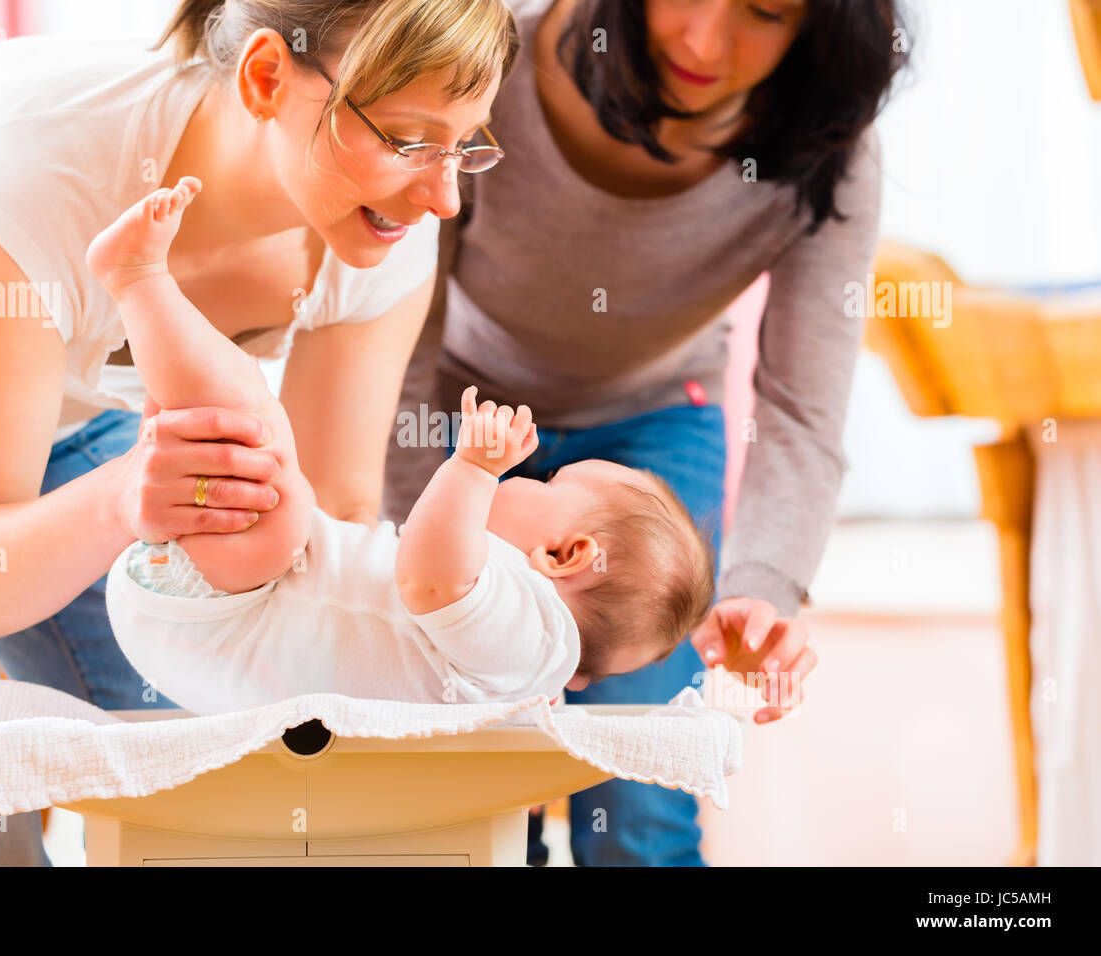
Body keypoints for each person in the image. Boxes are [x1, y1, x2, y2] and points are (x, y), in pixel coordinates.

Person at [0, 0, 516, 864]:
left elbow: (327, 526)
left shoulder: (385, 228)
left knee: (210, 774)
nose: (443, 195)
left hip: (65, 417)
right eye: (408, 139)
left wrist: (470, 655)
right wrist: (117, 498)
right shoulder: (47, 166)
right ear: (264, 77)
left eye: (466, 143)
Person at [382, 0, 910, 865]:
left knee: (642, 802)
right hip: (461, 423)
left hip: (655, 427)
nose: (704, 42)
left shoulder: (828, 147)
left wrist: (763, 588)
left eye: (766, 13)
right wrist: (410, 543)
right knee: (458, 771)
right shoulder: (488, 67)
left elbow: (804, 406)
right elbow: (395, 340)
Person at [84, 175, 715, 712]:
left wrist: (473, 467)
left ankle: (136, 280)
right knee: (247, 452)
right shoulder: (520, 666)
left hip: (224, 619)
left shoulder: (529, 634)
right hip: (218, 622)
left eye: (551, 485)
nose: (531, 476)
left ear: (565, 554)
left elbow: (431, 579)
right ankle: (168, 387)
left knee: (261, 445)